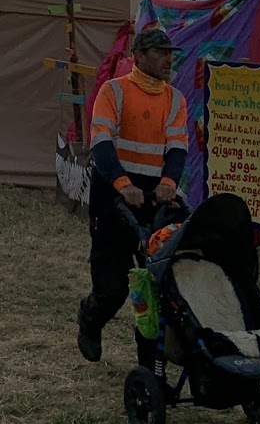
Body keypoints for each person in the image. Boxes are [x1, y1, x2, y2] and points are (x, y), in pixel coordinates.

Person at [76, 26, 189, 362]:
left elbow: (178, 147)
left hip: (154, 197)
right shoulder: (114, 92)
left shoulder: (175, 99)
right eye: (161, 52)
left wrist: (169, 181)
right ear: (139, 56)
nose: (169, 58)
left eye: (171, 53)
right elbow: (102, 143)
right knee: (112, 287)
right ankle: (91, 318)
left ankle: (148, 361)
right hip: (113, 195)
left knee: (160, 283)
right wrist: (123, 185)